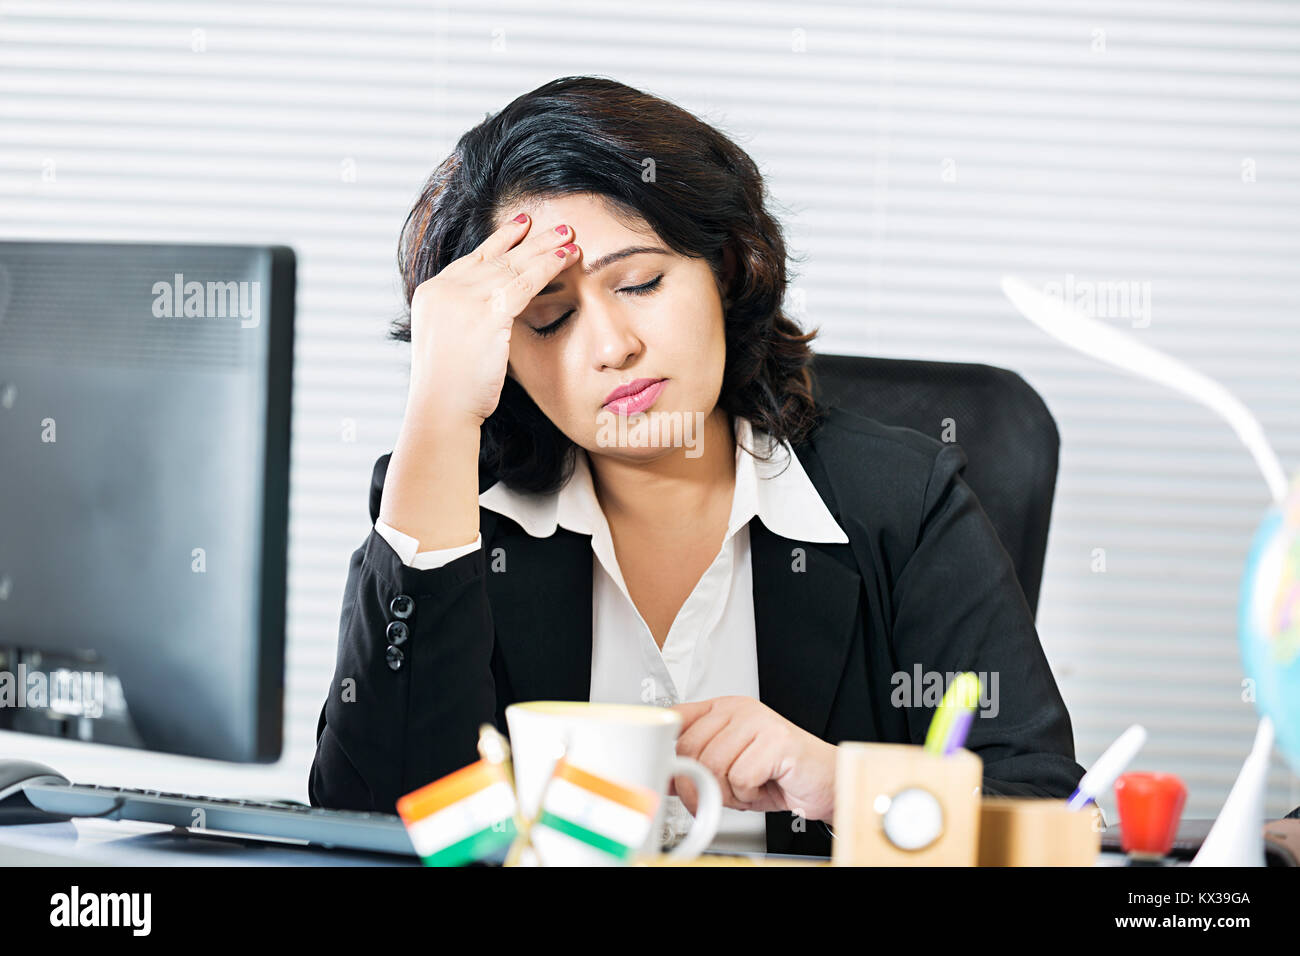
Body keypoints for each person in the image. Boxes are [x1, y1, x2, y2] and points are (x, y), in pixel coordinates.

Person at [308, 75, 1086, 857]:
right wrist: (439, 409)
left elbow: (1050, 822)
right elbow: (371, 826)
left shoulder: (900, 503)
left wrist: (848, 787)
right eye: (547, 318)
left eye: (640, 282)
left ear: (729, 266)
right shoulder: (451, 508)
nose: (612, 346)